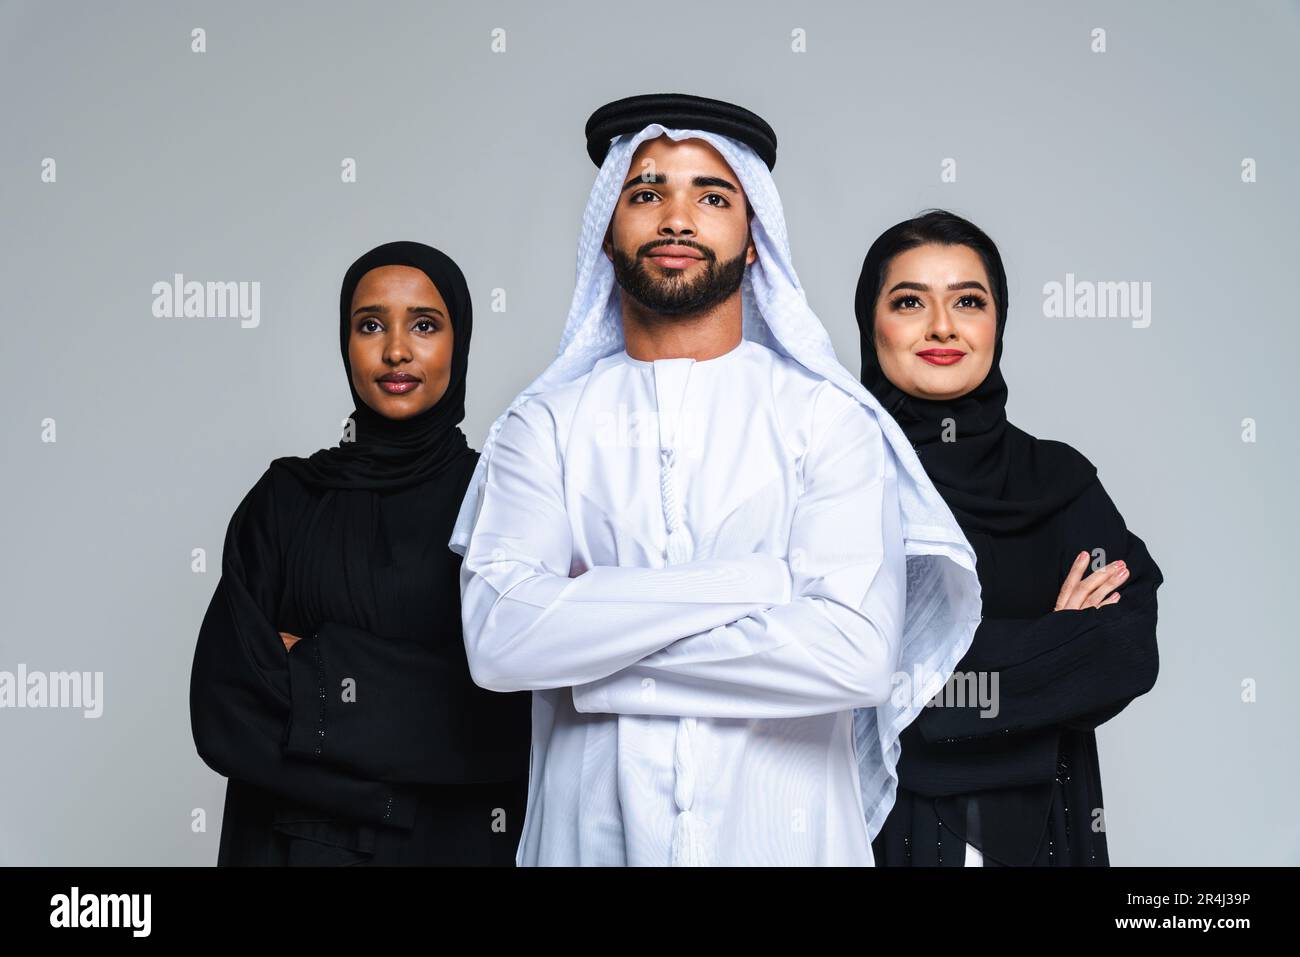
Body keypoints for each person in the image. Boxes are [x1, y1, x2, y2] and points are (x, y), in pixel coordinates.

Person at [451, 93, 983, 866]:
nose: (676, 218)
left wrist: (594, 663)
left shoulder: (828, 419)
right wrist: (761, 584)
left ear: (756, 236)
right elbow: (501, 638)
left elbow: (853, 651)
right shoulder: (543, 426)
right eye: (646, 192)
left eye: (711, 194)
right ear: (606, 231)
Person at [189, 241, 531, 865]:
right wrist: (403, 775)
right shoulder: (286, 500)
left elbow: (514, 718)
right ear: (345, 343)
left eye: (424, 325)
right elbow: (225, 707)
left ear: (461, 340)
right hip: (291, 852)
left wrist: (310, 667)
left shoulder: (507, 500)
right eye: (370, 324)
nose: (396, 350)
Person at [856, 210, 1162, 866]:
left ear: (998, 321)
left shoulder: (1056, 479)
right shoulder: (836, 477)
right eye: (910, 301)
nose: (943, 325)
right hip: (879, 830)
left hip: (1049, 830)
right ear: (869, 323)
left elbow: (1128, 648)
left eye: (969, 300)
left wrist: (939, 667)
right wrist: (1057, 648)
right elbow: (856, 669)